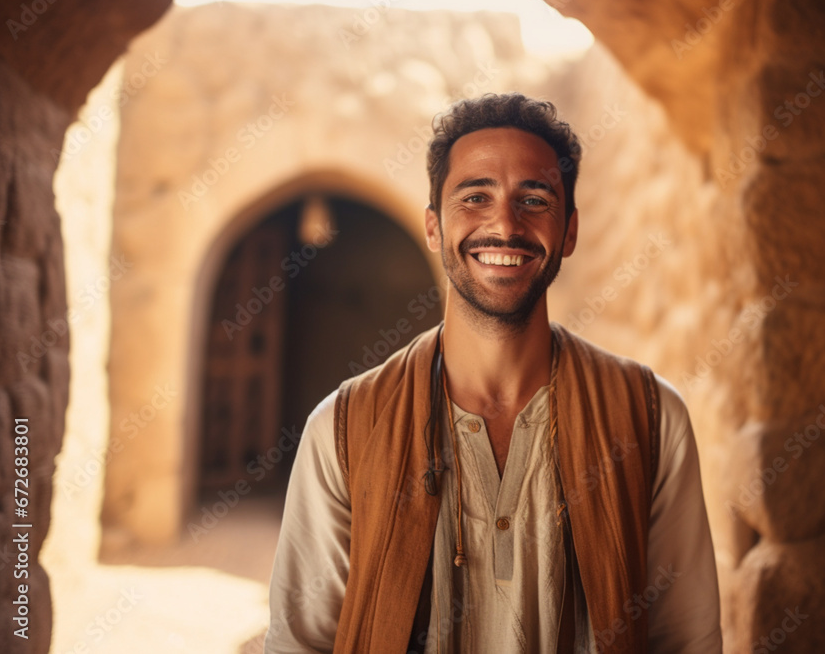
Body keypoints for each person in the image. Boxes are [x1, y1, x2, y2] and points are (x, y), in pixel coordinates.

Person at [264, 93, 722, 653]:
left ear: (569, 232)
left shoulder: (650, 417)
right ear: (434, 228)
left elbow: (686, 640)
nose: (504, 223)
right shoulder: (343, 428)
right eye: (475, 196)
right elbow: (300, 643)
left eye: (534, 199)